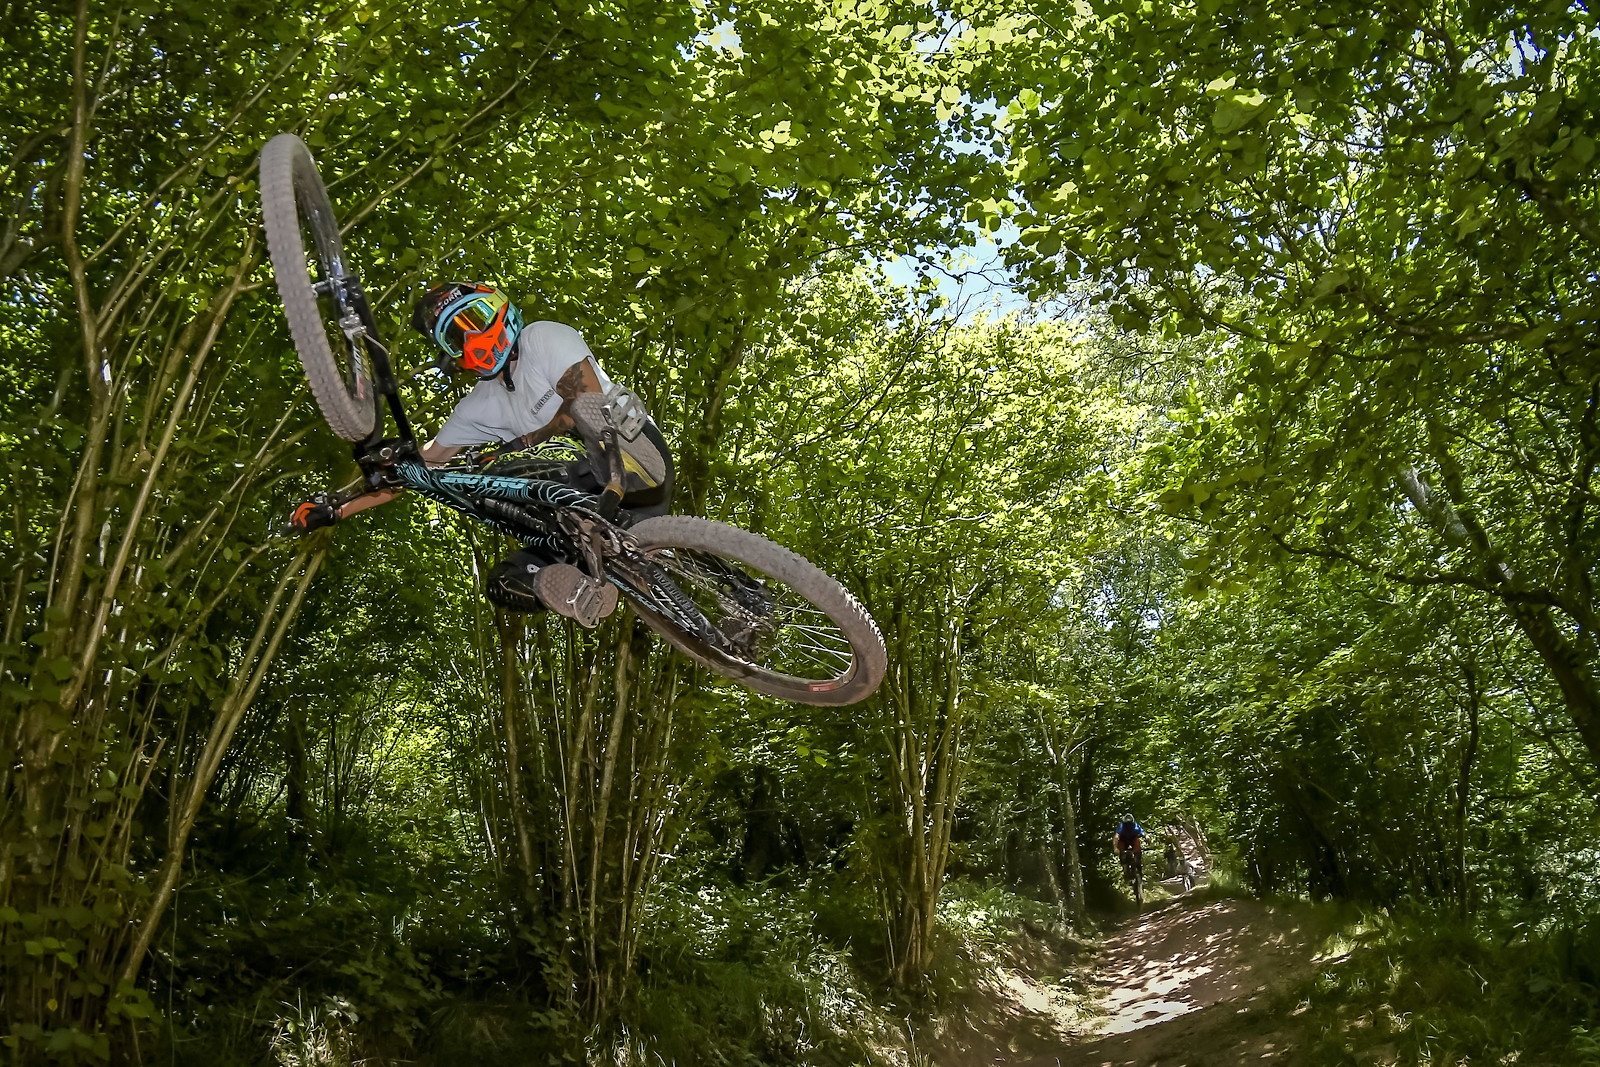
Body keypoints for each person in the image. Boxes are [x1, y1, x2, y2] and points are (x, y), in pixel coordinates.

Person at [289, 282, 673, 627]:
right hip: (577, 508)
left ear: (500, 308)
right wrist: (339, 509)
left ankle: (618, 493)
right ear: (453, 356)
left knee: (580, 417)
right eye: (457, 338)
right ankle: (584, 589)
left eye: (474, 319)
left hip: (627, 461)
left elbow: (583, 400)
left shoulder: (543, 338)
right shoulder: (475, 408)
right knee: (504, 580)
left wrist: (523, 441)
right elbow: (421, 469)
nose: (472, 339)